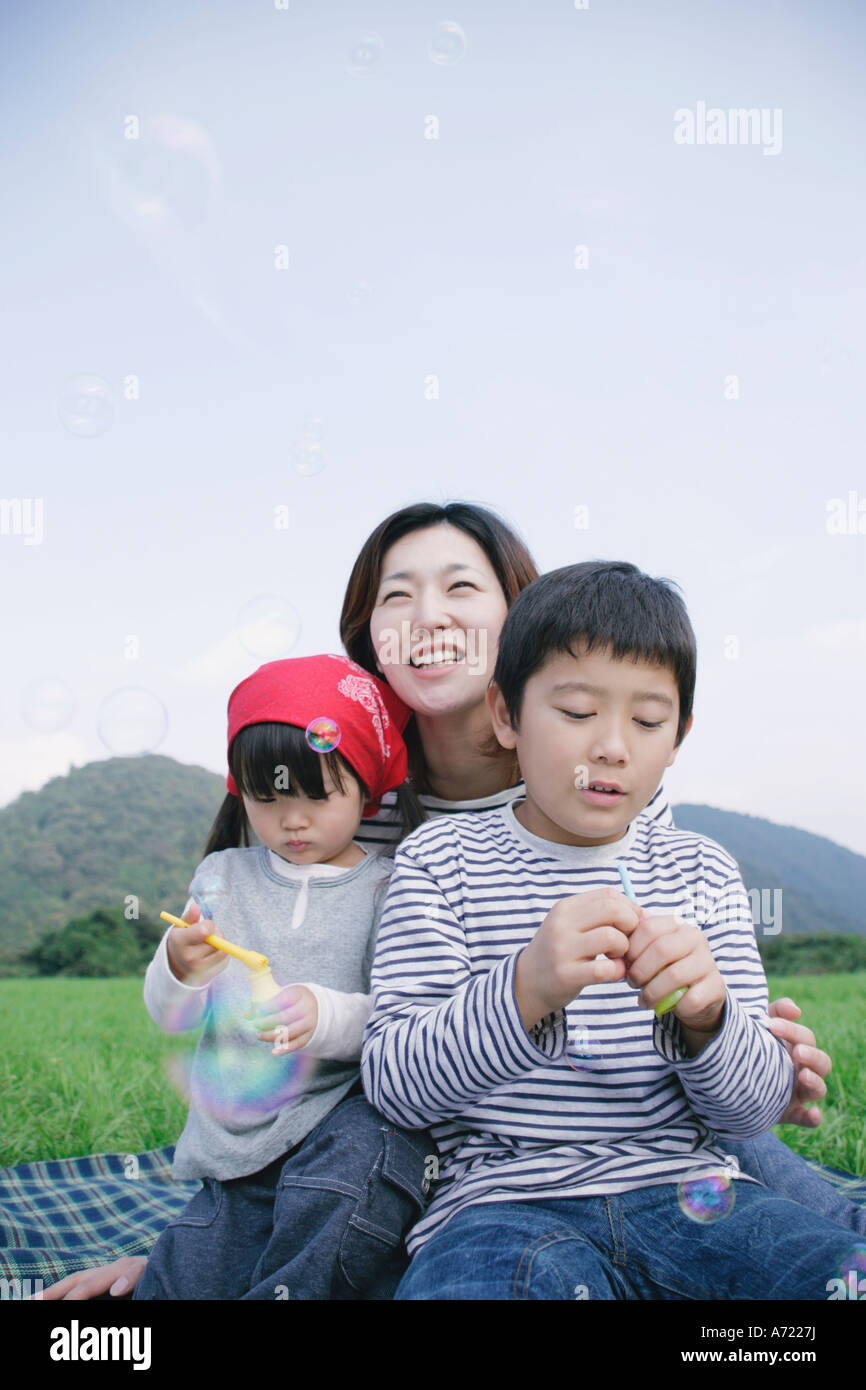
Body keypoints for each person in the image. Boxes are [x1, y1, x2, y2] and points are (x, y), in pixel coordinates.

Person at [40, 500, 863, 1300]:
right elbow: (312, 1070)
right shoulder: (343, 805)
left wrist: (730, 1035)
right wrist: (200, 1262)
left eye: (461, 587)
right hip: (472, 1167)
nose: (427, 614)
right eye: (396, 595)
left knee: (800, 1224)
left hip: (666, 1158)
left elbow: (723, 1092)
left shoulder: (647, 825)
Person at [361, 559, 864, 1298]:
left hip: (694, 1196)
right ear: (506, 715)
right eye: (576, 713)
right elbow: (396, 1085)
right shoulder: (440, 863)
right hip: (501, 1209)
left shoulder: (701, 872)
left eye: (648, 720)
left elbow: (753, 1109)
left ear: (678, 735)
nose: (613, 747)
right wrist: (523, 989)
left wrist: (709, 1017)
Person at [131, 653, 432, 1300]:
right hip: (234, 1155)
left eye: (317, 795)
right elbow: (168, 1013)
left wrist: (324, 1015)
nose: (292, 821)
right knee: (183, 1274)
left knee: (336, 1196)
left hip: (337, 1131)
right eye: (268, 798)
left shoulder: (388, 888)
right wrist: (178, 969)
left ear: (368, 785)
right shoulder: (223, 881)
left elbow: (398, 1015)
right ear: (241, 791)